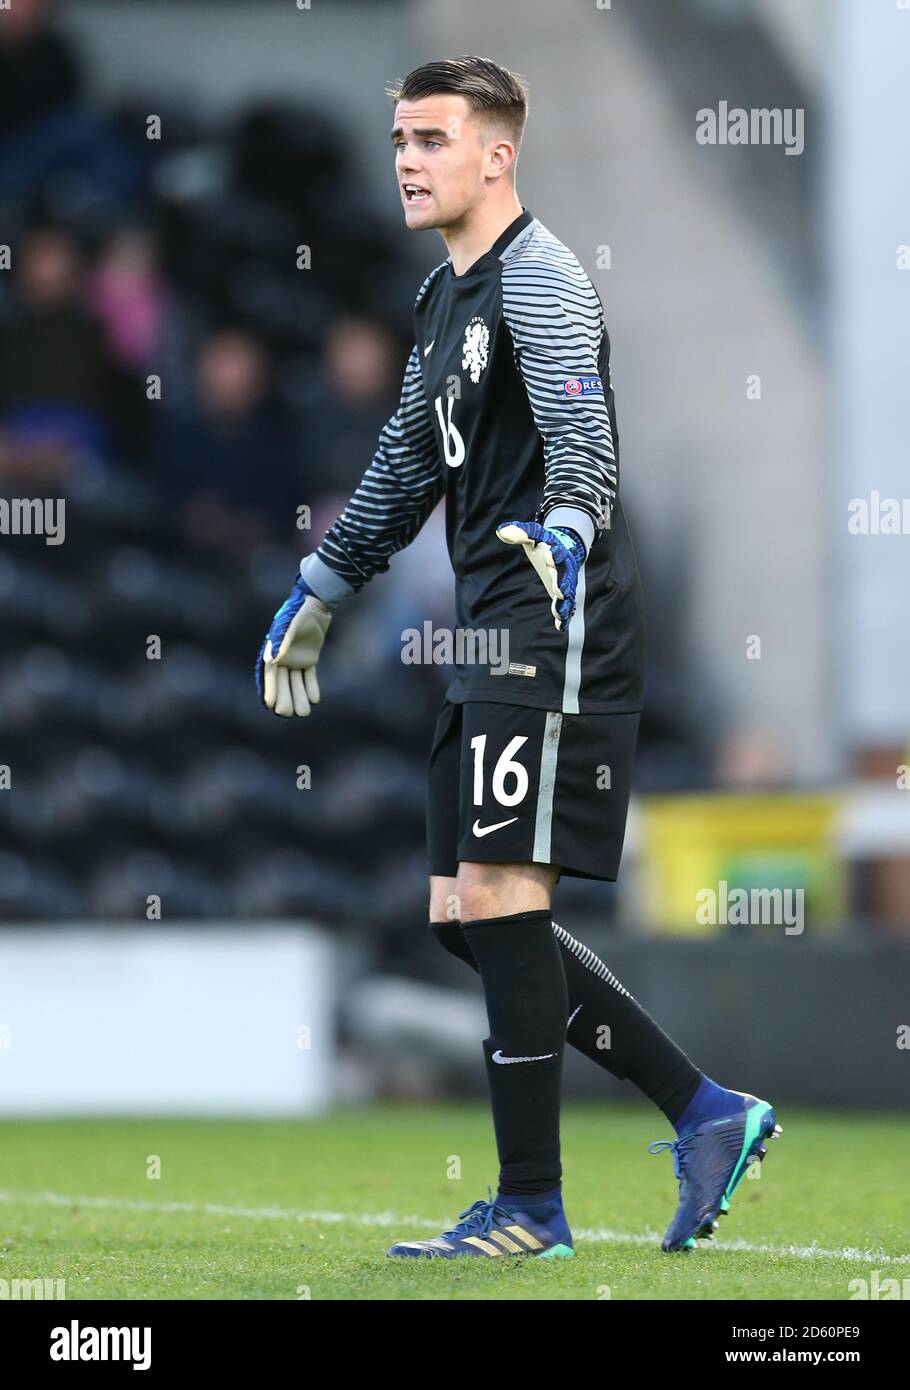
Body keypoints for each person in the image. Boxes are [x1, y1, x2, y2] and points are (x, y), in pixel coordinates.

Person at [255, 56, 780, 1260]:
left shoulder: (539, 280)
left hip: (556, 619)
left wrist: (567, 527)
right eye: (397, 137)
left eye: (432, 139)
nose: (405, 160)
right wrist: (321, 588)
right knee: (460, 914)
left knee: (499, 897)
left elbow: (583, 432)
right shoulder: (444, 298)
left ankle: (531, 1207)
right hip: (486, 627)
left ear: (498, 154)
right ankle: (705, 1110)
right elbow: (403, 460)